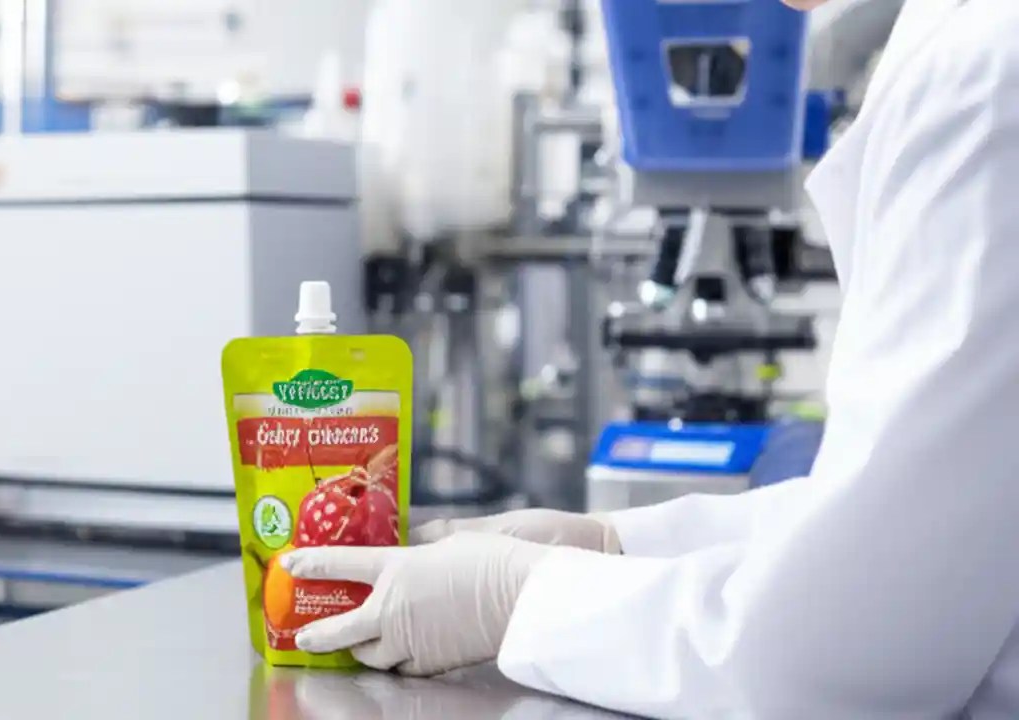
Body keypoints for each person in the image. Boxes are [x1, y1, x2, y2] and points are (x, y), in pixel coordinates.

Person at [281, 0, 1019, 716]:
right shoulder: (966, 44)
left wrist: (519, 599)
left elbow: (846, 650)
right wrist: (619, 544)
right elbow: (910, 518)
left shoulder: (982, 66)